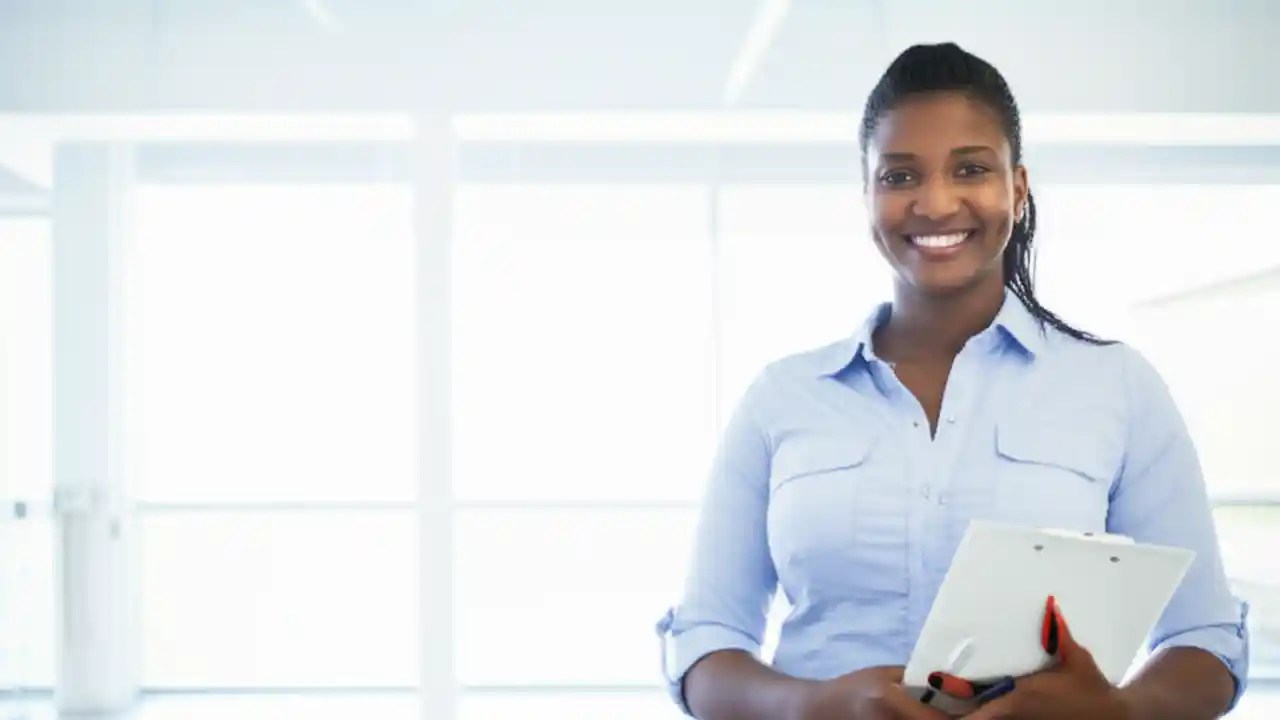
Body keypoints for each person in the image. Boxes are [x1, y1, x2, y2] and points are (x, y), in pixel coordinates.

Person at [655, 43, 1249, 720]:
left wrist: (1115, 713)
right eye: (900, 177)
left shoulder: (1118, 387)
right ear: (868, 194)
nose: (935, 203)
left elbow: (1206, 641)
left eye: (970, 168)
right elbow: (705, 643)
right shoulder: (782, 398)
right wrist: (813, 705)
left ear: (1017, 188)